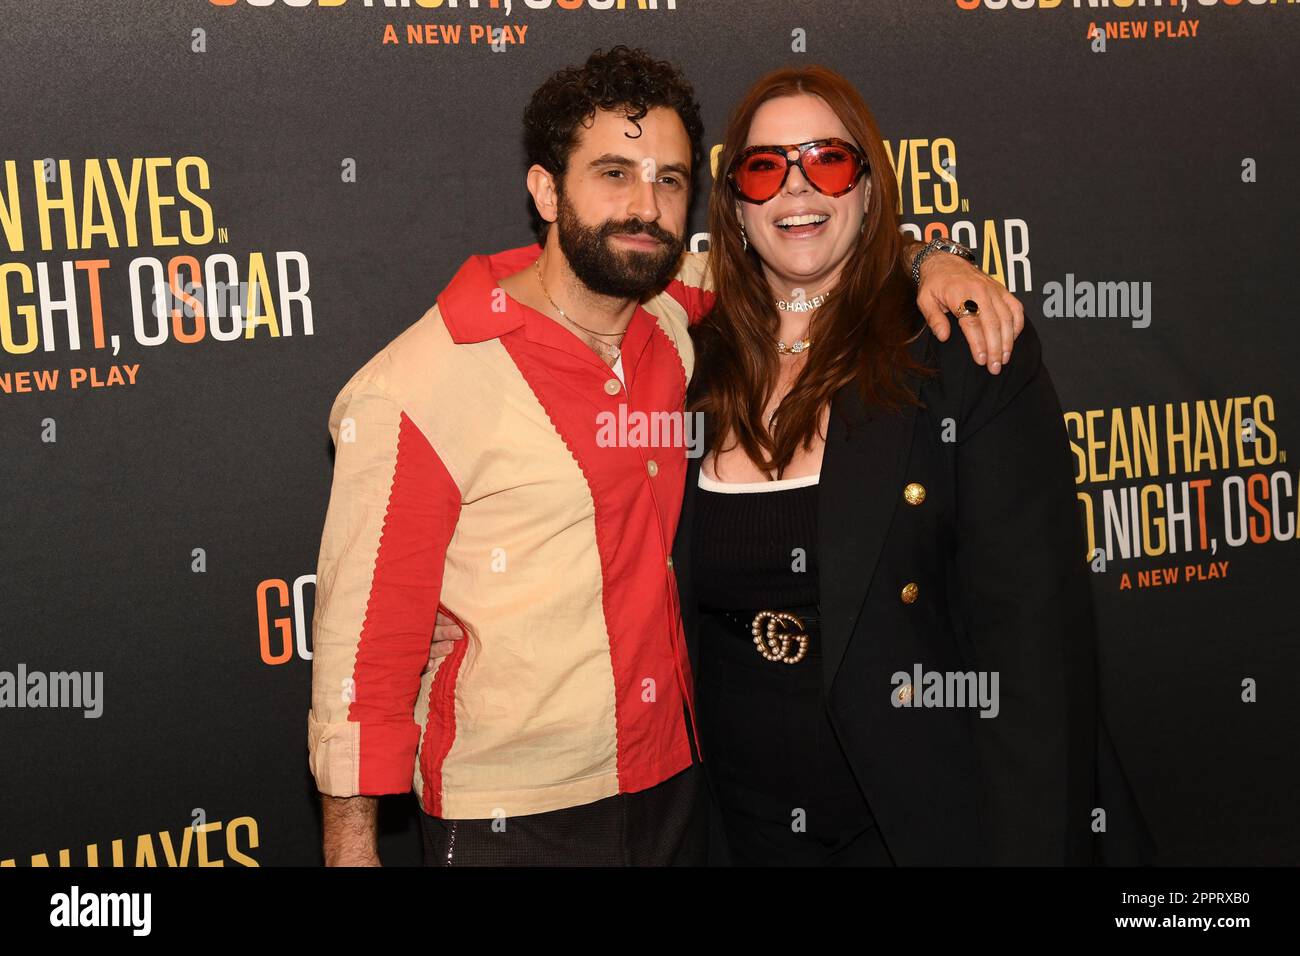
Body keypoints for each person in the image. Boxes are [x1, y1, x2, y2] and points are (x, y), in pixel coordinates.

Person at [313, 46, 1020, 867]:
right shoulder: (415, 385)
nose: (645, 206)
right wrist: (351, 853)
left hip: (688, 789)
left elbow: (809, 245)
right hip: (513, 817)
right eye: (613, 174)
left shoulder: (681, 319)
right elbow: (363, 663)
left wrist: (925, 259)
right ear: (545, 190)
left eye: (670, 179)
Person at [671, 63, 1102, 866]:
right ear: (732, 207)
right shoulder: (688, 359)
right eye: (764, 168)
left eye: (828, 161)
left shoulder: (960, 354)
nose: (796, 190)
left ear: (869, 189)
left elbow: (1037, 648)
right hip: (738, 827)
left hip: (917, 826)